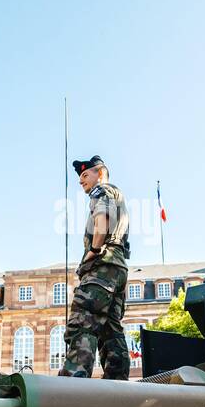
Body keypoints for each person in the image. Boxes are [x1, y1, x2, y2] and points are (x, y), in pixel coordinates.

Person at [60, 155, 131, 379]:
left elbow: (101, 223)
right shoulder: (118, 195)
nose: (81, 181)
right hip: (118, 266)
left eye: (85, 175)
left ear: (99, 173)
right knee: (111, 329)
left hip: (102, 265)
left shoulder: (101, 191)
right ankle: (117, 383)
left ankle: (74, 382)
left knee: (83, 322)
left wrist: (93, 251)